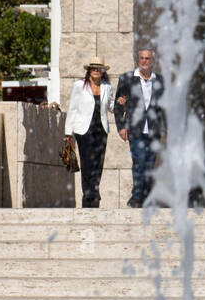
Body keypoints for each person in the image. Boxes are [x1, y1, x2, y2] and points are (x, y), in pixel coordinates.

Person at [114, 49, 167, 208]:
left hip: (153, 130)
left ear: (152, 61)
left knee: (150, 164)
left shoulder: (160, 81)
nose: (145, 61)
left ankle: (145, 197)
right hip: (135, 129)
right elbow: (118, 106)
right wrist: (121, 127)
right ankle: (137, 197)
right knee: (139, 161)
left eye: (148, 59)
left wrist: (168, 127)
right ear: (138, 60)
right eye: (142, 58)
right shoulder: (127, 79)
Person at [64, 61, 114, 208]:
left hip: (101, 130)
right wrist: (68, 132)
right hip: (83, 130)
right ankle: (88, 196)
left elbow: (111, 106)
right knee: (87, 163)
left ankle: (94, 192)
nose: (96, 71)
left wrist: (122, 103)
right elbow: (72, 108)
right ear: (89, 70)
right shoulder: (79, 86)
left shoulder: (107, 87)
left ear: (103, 71)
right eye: (93, 68)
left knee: (98, 163)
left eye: (99, 69)